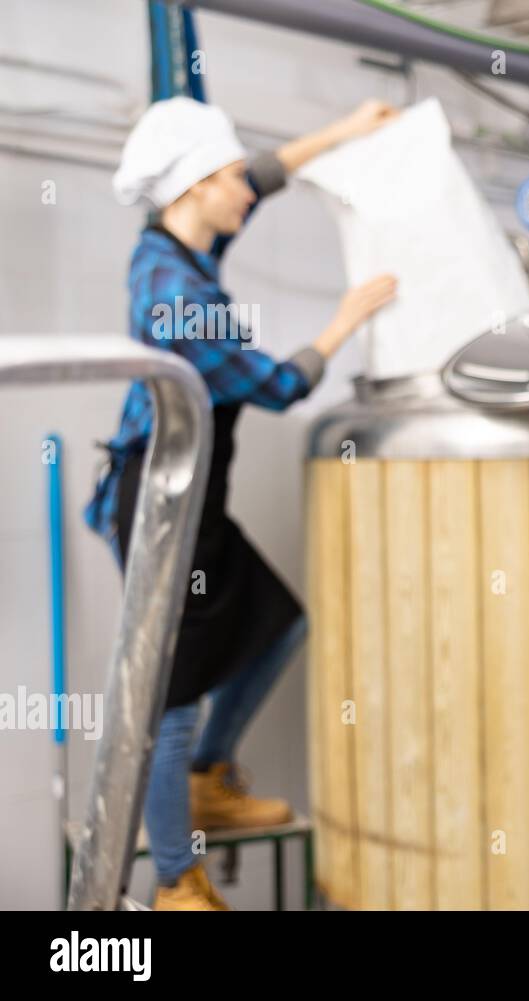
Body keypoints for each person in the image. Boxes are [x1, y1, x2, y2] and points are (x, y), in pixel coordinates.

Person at [85, 96, 399, 911]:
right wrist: (344, 321)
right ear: (194, 187)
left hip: (193, 496)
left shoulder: (180, 243)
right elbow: (279, 384)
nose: (247, 192)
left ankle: (206, 779)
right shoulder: (175, 295)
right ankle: (174, 881)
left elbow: (262, 173)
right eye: (230, 178)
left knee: (279, 623)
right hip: (159, 504)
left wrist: (346, 127)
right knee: (173, 691)